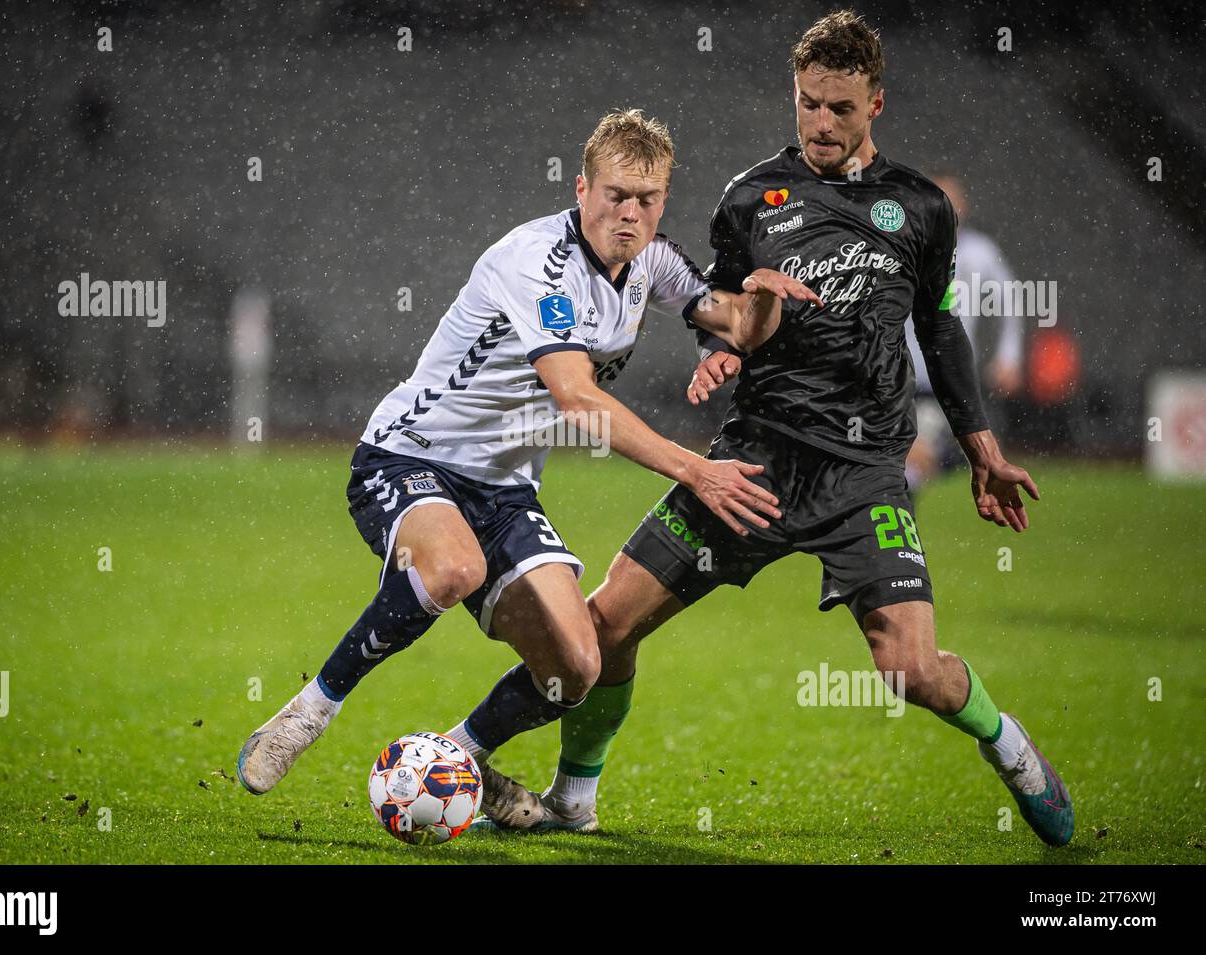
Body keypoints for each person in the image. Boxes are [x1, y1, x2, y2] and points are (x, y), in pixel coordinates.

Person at [491, 10, 1073, 848]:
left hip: (866, 472)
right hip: (753, 463)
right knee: (607, 624)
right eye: (809, 104)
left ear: (878, 102)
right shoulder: (750, 197)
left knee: (913, 673)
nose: (822, 124)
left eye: (841, 107)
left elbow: (940, 330)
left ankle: (1011, 749)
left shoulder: (919, 208)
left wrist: (983, 449)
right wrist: (719, 351)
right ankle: (574, 795)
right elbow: (722, 310)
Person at [234, 109, 814, 826]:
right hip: (413, 455)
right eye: (615, 195)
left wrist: (759, 298)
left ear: (663, 199)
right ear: (581, 189)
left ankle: (460, 760)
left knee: (576, 668)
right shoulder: (536, 261)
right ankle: (305, 713)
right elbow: (577, 398)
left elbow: (735, 325)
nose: (629, 213)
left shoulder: (654, 262)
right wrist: (696, 471)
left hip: (505, 489)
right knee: (452, 570)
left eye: (647, 198)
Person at [904, 173, 1026, 497]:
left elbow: (1011, 301)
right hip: (898, 377)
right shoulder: (904, 245)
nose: (944, 205)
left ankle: (896, 525)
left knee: (920, 457)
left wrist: (1009, 358)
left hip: (944, 378)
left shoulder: (981, 252)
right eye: (937, 196)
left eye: (951, 198)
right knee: (904, 458)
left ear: (963, 205)